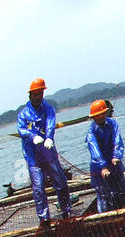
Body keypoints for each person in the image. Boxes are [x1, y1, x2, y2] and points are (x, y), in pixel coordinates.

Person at [17, 78, 72, 223]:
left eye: (40, 94)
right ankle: (44, 218)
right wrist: (32, 136)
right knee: (38, 187)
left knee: (60, 182)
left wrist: (49, 137)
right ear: (30, 95)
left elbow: (50, 123)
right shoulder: (23, 114)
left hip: (48, 152)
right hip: (32, 156)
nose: (37, 97)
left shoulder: (48, 108)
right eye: (35, 94)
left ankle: (66, 210)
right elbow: (21, 129)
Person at [84, 100, 125, 213]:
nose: (100, 117)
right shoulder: (91, 132)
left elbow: (117, 140)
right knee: (104, 196)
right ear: (93, 117)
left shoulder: (112, 123)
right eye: (97, 116)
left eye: (102, 114)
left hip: (114, 163)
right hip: (99, 168)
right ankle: (104, 218)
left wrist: (116, 155)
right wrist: (103, 166)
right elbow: (94, 150)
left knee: (122, 190)